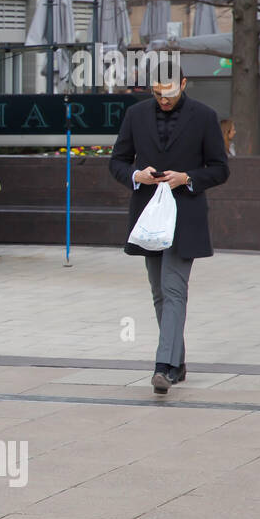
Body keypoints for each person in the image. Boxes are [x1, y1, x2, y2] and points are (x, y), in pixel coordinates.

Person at [109, 76, 230, 394]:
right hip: (148, 217)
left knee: (173, 289)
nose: (164, 100)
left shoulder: (204, 116)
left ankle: (163, 367)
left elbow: (220, 168)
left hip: (185, 216)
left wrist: (187, 177)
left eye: (170, 93)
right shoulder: (136, 115)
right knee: (159, 292)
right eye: (157, 93)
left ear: (184, 83)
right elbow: (117, 161)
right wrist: (138, 175)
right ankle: (177, 361)